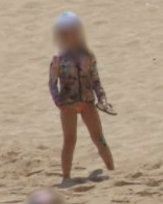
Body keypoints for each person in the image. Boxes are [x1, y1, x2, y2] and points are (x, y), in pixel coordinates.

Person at [48, 11, 115, 184]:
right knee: (69, 141)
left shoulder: (88, 56)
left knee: (99, 138)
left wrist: (102, 100)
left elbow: (96, 81)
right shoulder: (58, 59)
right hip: (68, 104)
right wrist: (58, 102)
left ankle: (112, 170)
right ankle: (66, 177)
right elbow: (52, 83)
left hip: (87, 102)